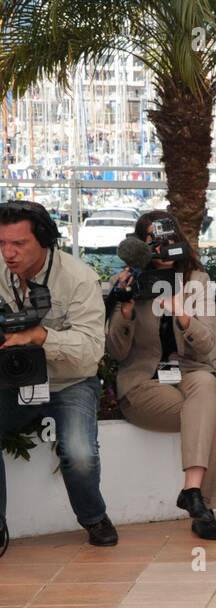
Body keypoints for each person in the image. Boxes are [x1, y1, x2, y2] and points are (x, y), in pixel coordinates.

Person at [0, 200, 118, 550]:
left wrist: (42, 336)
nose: (8, 253)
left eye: (18, 244)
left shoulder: (79, 278)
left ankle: (94, 518)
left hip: (70, 381)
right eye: (2, 243)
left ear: (45, 241)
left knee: (79, 452)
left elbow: (92, 351)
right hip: (12, 381)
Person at [105, 210, 216, 540]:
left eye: (169, 239)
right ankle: (203, 507)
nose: (162, 247)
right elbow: (115, 352)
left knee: (205, 381)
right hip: (143, 381)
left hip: (189, 371)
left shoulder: (196, 280)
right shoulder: (128, 281)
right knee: (212, 414)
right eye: (152, 241)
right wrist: (126, 311)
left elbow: (207, 347)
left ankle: (193, 493)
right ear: (141, 245)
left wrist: (184, 316)